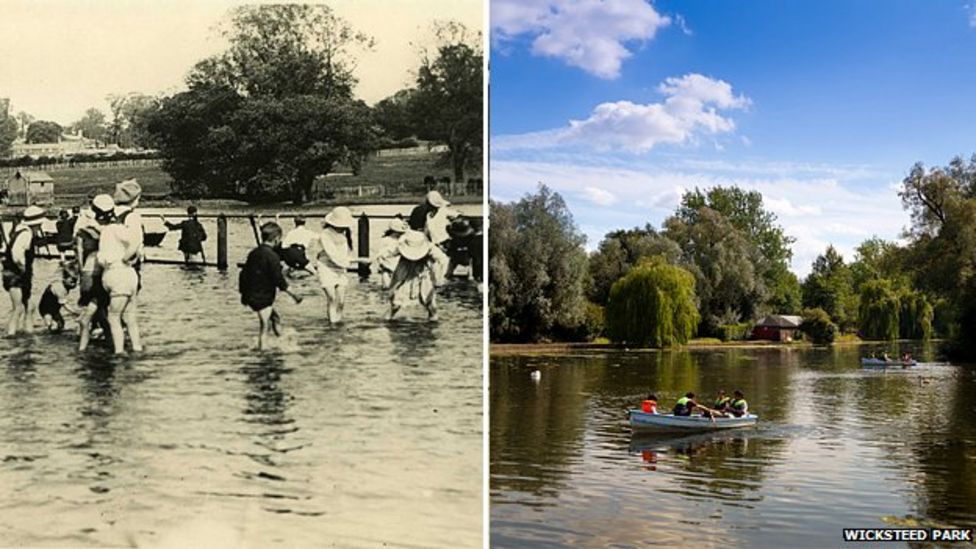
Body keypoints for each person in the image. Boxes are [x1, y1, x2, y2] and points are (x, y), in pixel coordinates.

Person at [239, 222, 302, 350]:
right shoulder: (272, 256)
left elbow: (243, 274)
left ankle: (281, 341)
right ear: (277, 239)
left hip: (251, 294)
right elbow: (279, 280)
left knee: (275, 318)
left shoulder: (253, 253)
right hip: (263, 297)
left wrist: (244, 294)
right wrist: (294, 295)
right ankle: (264, 353)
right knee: (264, 327)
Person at [97, 193, 144, 355]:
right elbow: (136, 243)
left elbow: (135, 241)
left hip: (117, 274)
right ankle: (137, 349)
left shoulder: (111, 229)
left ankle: (119, 352)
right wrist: (130, 257)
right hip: (128, 275)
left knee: (113, 317)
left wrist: (124, 258)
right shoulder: (119, 228)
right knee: (130, 318)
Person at [2, 205, 46, 336]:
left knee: (30, 307)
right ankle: (10, 335)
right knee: (18, 308)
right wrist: (23, 269)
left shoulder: (21, 231)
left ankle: (29, 333)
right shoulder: (26, 234)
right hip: (15, 274)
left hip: (15, 274)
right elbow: (16, 254)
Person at [307, 207, 355, 324]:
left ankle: (338, 321)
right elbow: (333, 255)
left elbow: (344, 254)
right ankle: (332, 324)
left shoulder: (343, 236)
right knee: (332, 298)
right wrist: (356, 261)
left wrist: (347, 262)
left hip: (340, 269)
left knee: (341, 301)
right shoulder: (325, 235)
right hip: (326, 268)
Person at [76, 196, 112, 351]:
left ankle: (84, 344)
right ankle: (111, 343)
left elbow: (79, 250)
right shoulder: (109, 229)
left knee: (90, 307)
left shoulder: (83, 228)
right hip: (102, 271)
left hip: (87, 269)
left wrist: (80, 268)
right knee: (103, 308)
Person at [385, 230, 440, 321]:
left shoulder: (430, 248)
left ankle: (433, 318)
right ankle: (387, 318)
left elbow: (442, 260)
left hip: (423, 272)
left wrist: (437, 277)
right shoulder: (399, 246)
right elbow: (384, 255)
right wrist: (388, 270)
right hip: (404, 270)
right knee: (396, 302)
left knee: (429, 301)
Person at [38, 261, 79, 332]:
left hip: (55, 308)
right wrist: (76, 312)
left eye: (75, 281)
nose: (74, 284)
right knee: (50, 324)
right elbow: (65, 305)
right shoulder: (60, 288)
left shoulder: (65, 285)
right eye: (72, 282)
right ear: (64, 279)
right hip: (45, 308)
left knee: (61, 324)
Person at [373, 218, 409, 289]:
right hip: (387, 268)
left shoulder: (401, 240)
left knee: (396, 288)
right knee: (387, 287)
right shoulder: (385, 240)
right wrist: (381, 263)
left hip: (398, 268)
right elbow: (380, 254)